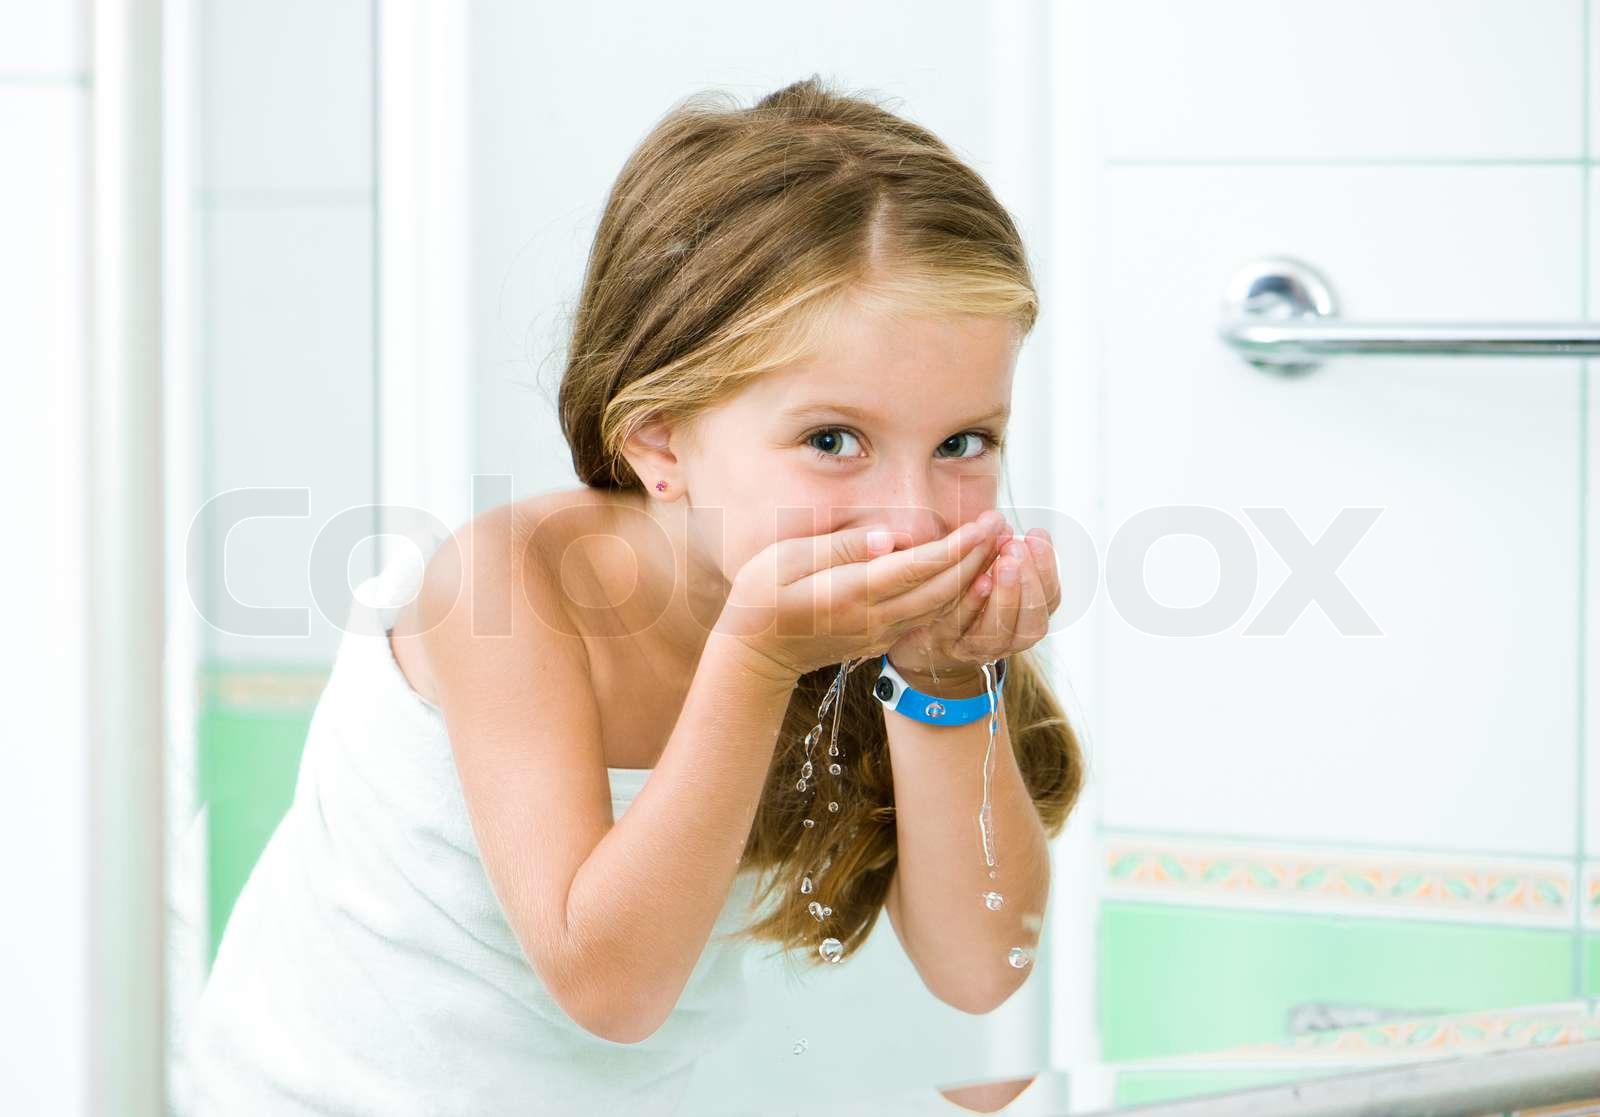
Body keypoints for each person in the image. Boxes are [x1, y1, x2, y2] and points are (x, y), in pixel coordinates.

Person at [183, 74, 1086, 1116]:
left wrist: (948, 682)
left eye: (963, 443)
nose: (912, 517)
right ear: (659, 440)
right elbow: (609, 989)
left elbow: (981, 1006)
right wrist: (754, 659)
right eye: (833, 439)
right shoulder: (509, 590)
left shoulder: (863, 618)